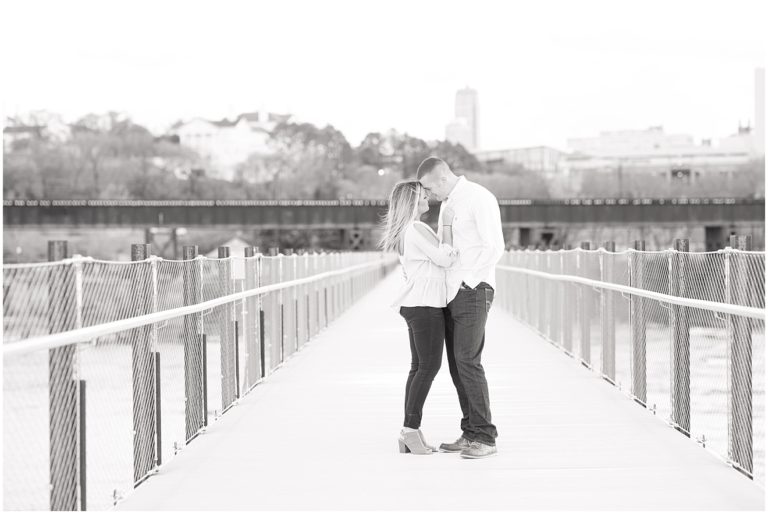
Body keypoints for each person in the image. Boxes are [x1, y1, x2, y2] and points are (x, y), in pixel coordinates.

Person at [417, 157, 505, 459]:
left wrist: (468, 281)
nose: (429, 195)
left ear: (441, 179)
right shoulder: (448, 205)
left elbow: (494, 246)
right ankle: (470, 432)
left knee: (468, 360)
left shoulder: (479, 198)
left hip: (473, 289)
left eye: (429, 188)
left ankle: (485, 437)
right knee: (457, 365)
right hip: (452, 291)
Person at [381, 180, 458, 455]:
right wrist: (447, 226)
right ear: (413, 200)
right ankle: (409, 430)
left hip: (418, 304)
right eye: (424, 196)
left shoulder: (407, 230)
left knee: (419, 367)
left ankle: (410, 432)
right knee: (428, 367)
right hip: (424, 305)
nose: (429, 199)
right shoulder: (415, 228)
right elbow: (445, 259)